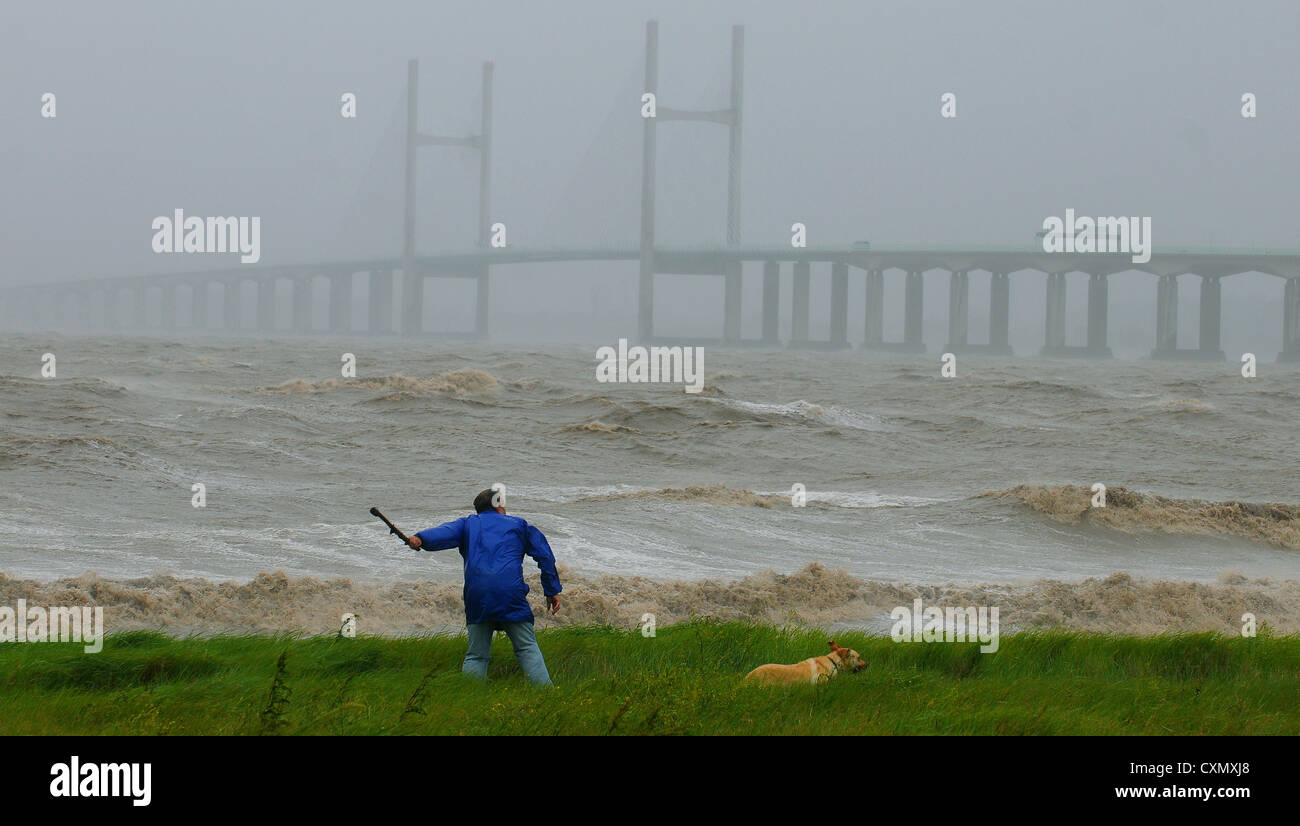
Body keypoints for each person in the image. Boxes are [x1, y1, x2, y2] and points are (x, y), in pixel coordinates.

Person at [408, 487, 562, 686]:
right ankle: (546, 695)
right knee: (526, 648)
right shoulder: (519, 525)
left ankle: (470, 697)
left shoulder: (467, 525)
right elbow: (545, 557)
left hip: (478, 595)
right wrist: (551, 590)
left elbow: (442, 533)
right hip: (510, 594)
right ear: (499, 506)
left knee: (477, 655)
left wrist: (420, 539)